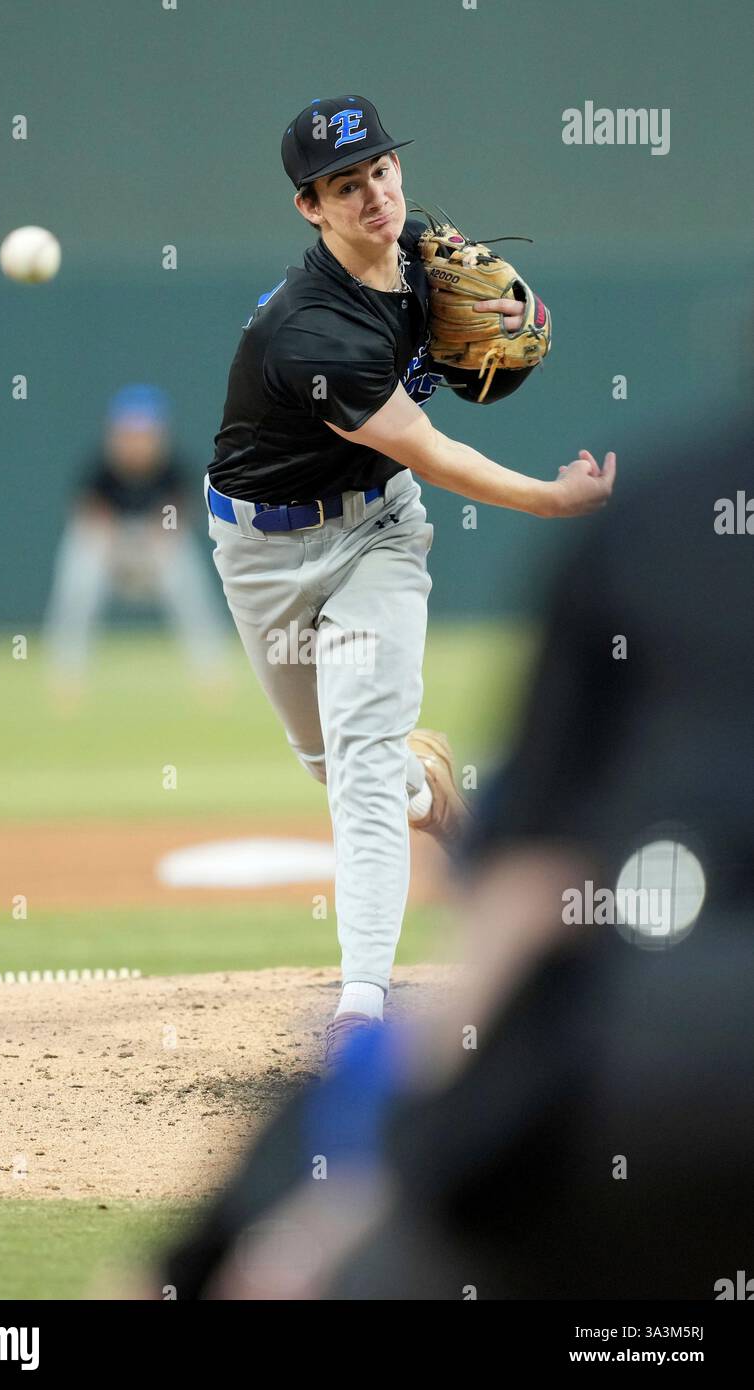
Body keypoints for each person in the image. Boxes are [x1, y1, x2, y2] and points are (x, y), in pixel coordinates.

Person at [159, 405, 754, 1300]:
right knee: (340, 763)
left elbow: (535, 884)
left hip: (643, 1071)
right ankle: (408, 790)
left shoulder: (661, 522)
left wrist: (378, 1125)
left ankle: (371, 972)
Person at [204, 96, 615, 1065]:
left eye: (381, 170)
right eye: (346, 186)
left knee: (352, 760)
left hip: (378, 535)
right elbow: (428, 446)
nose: (375, 195)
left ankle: (359, 999)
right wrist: (546, 500)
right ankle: (423, 787)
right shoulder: (312, 334)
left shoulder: (424, 251)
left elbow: (501, 337)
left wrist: (519, 318)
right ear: (309, 207)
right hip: (261, 555)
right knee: (338, 765)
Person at [43, 384, 228, 701]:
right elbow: (86, 514)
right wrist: (115, 539)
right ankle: (66, 673)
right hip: (109, 552)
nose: (137, 442)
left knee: (181, 562)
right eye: (129, 433)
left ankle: (211, 671)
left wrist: (155, 535)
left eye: (145, 434)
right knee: (81, 558)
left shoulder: (172, 468)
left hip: (154, 554)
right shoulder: (99, 469)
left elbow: (183, 512)